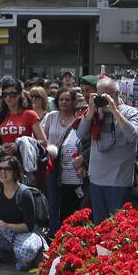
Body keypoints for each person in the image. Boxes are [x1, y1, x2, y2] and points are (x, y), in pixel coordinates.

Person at [74, 77, 138, 223]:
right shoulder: (95, 113)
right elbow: (80, 134)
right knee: (100, 226)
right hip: (96, 181)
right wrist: (91, 111)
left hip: (118, 182)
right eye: (99, 95)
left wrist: (115, 111)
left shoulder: (130, 112)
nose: (102, 100)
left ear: (116, 94)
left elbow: (133, 135)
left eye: (106, 95)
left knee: (118, 228)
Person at [42, 86, 82, 233]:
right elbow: (41, 137)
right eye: (61, 99)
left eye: (67, 100)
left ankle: (69, 231)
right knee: (52, 199)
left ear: (73, 102)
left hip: (70, 165)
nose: (64, 102)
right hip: (52, 162)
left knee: (68, 199)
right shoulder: (51, 116)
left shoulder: (78, 119)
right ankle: (53, 231)